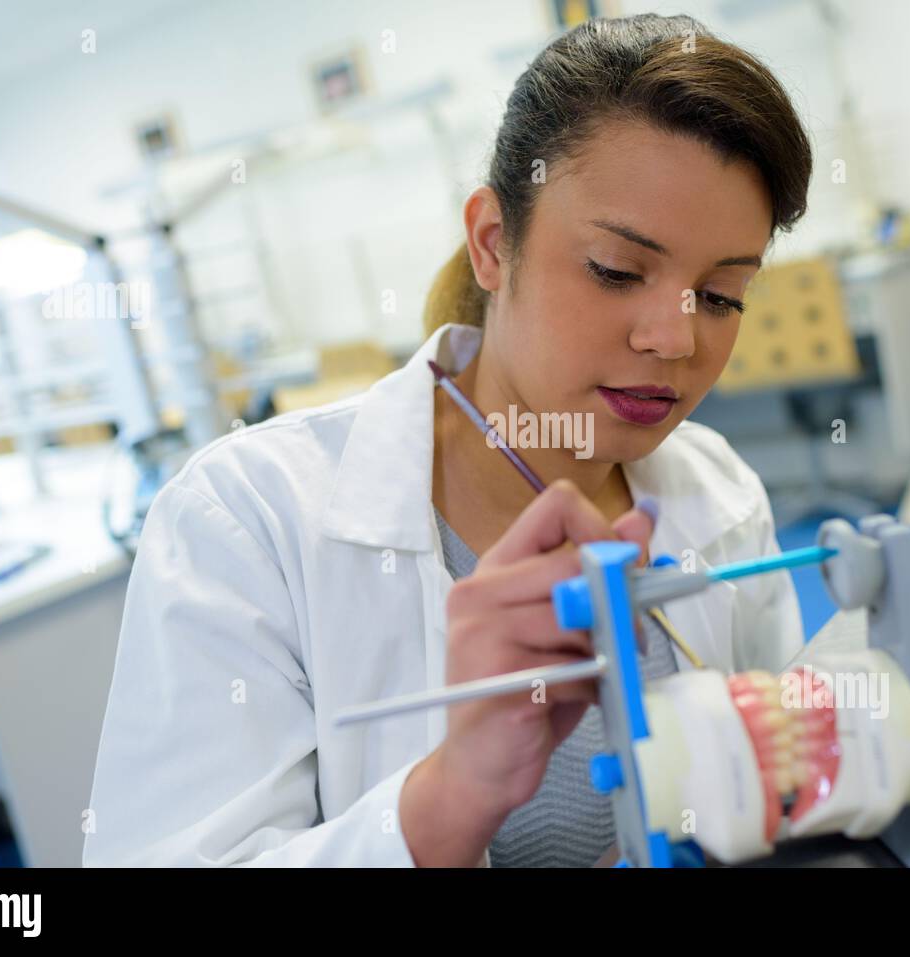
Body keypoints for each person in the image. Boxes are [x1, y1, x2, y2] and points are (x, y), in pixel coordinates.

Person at [84, 11, 812, 868]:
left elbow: (788, 791)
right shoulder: (248, 520)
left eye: (722, 295)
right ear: (494, 243)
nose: (676, 338)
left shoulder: (715, 490)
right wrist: (450, 795)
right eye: (617, 271)